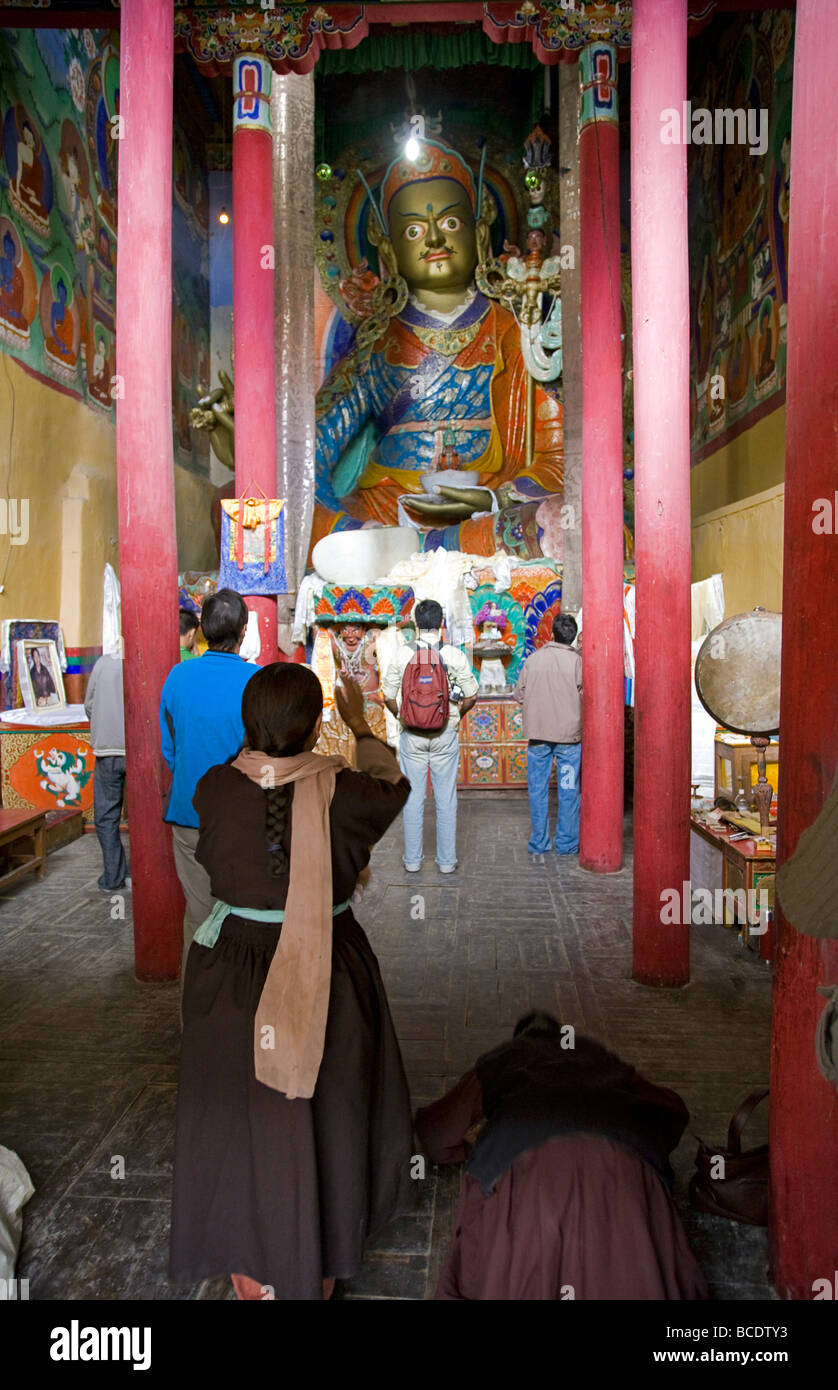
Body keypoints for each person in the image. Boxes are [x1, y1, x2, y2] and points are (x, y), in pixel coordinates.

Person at [169, 667, 416, 1301]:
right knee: (327, 1113)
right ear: (313, 726)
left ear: (248, 724)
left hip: (231, 979)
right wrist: (361, 724)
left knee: (245, 1119)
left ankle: (251, 1261)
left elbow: (248, 782)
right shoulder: (349, 792)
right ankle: (322, 1256)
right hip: (328, 967)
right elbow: (396, 783)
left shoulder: (214, 787)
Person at [415, 1011, 708, 1301]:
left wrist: (475, 1147)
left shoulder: (506, 1057)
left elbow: (437, 1135)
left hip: (528, 1172)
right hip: (625, 1171)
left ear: (521, 1038)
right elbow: (674, 1111)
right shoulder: (599, 1057)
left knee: (515, 1271)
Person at [159, 589, 256, 967]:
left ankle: (195, 1019)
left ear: (201, 629)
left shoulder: (178, 677)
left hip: (188, 816)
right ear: (244, 631)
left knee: (200, 918)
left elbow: (171, 751)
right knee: (246, 921)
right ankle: (240, 1017)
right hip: (243, 821)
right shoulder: (257, 680)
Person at [380, 598, 478, 874]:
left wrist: (403, 715)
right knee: (445, 798)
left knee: (412, 798)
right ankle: (446, 863)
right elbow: (471, 694)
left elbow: (386, 696)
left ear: (415, 623)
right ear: (442, 623)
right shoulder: (454, 655)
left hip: (411, 735)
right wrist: (456, 715)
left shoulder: (403, 654)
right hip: (445, 733)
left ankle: (412, 861)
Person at [514, 612, 582, 862]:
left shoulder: (533, 660)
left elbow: (519, 694)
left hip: (539, 740)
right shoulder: (578, 662)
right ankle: (566, 844)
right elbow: (586, 696)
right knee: (567, 790)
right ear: (572, 638)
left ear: (552, 634)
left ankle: (539, 841)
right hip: (569, 742)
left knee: (538, 790)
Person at [84, 645, 129, 893]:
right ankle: (143, 872)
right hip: (137, 753)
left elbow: (89, 704)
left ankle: (113, 877)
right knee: (145, 816)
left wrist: (105, 725)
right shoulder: (144, 661)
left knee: (106, 817)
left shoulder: (103, 663)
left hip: (106, 750)